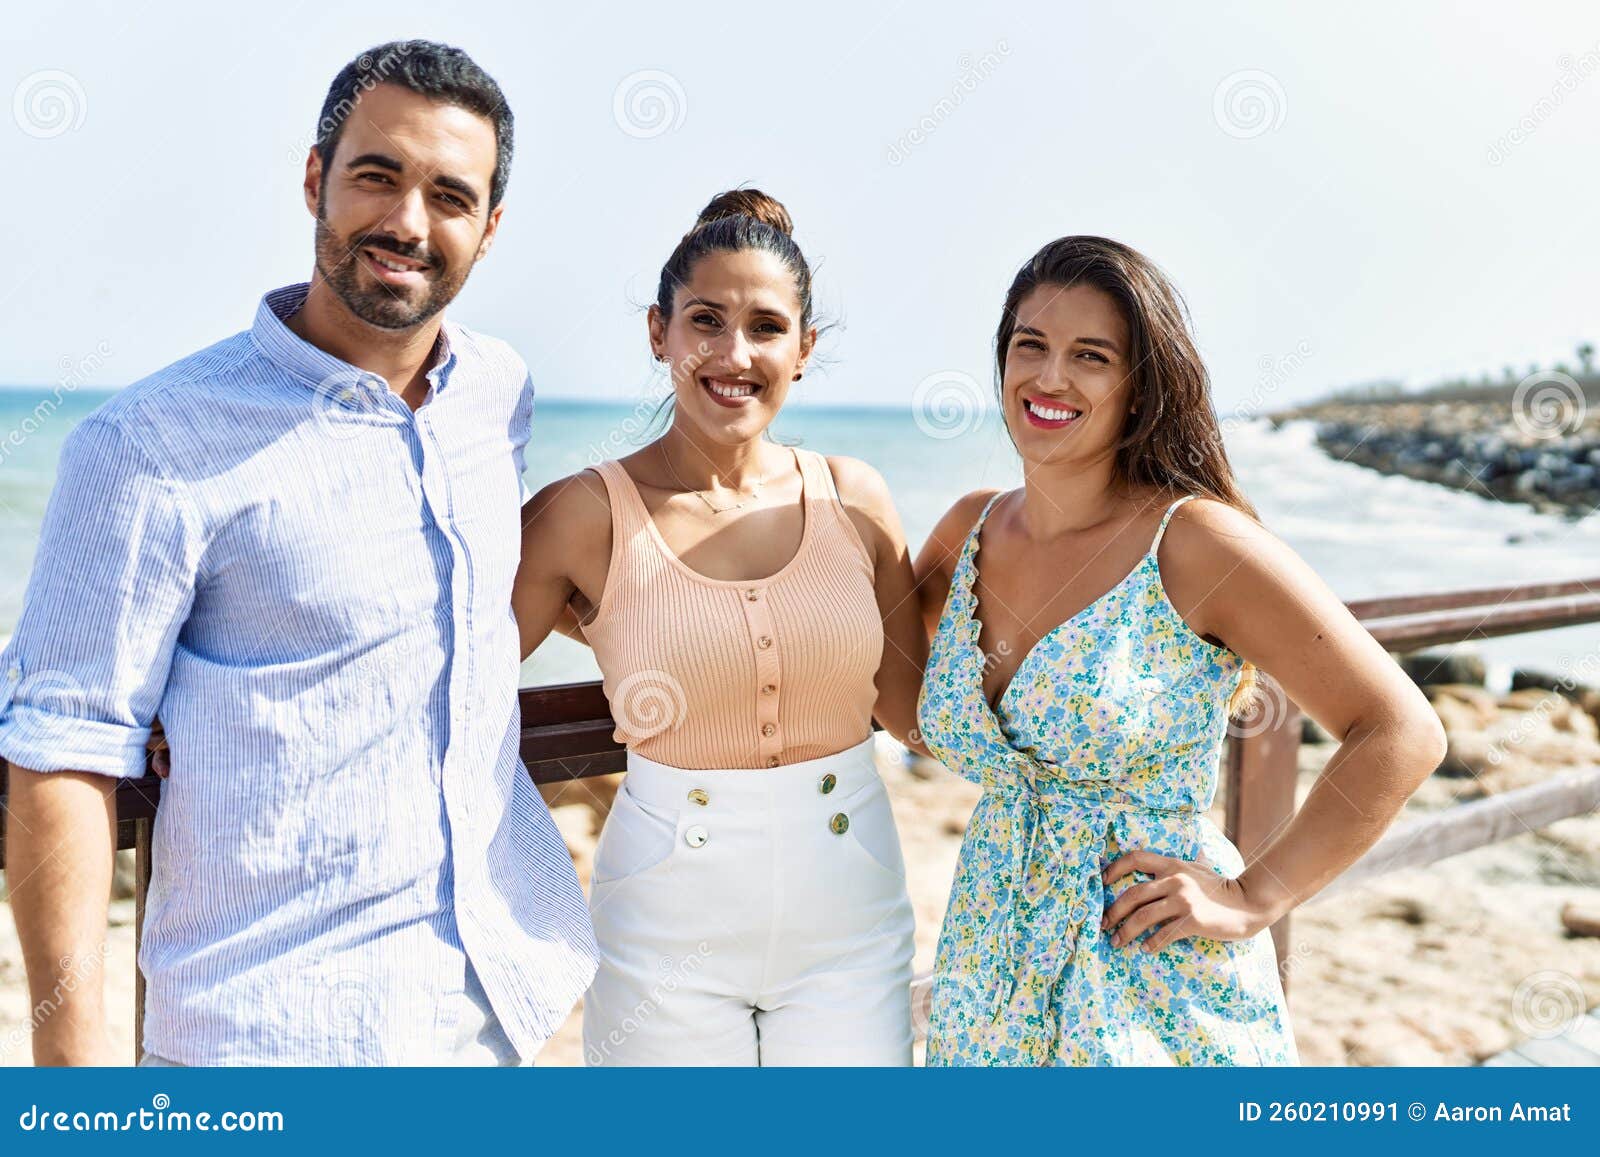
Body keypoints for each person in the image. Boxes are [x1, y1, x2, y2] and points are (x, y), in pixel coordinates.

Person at [0, 40, 596, 1067]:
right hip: (265, 1041)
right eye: (378, 175)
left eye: (450, 195)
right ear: (316, 178)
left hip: (499, 1016)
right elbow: (62, 748)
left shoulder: (498, 393)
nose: (408, 222)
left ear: (488, 230)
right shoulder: (146, 445)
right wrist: (70, 1065)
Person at [912, 235, 1448, 1065]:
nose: (1051, 378)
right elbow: (878, 679)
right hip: (989, 963)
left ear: (1140, 387)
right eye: (1031, 345)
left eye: (1091, 356)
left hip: (1150, 976)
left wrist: (1253, 895)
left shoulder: (1193, 543)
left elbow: (1400, 730)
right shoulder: (967, 531)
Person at [514, 189, 925, 1065]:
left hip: (852, 919)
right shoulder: (580, 516)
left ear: (805, 350)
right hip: (665, 929)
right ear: (658, 333)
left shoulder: (856, 500)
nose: (734, 354)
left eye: (766, 327)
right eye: (706, 320)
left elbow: (919, 709)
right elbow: (445, 680)